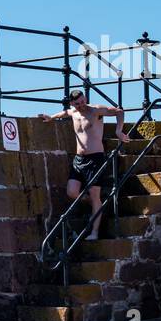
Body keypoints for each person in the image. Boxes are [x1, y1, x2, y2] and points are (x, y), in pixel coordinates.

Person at [39, 90, 129, 240]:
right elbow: (65, 113)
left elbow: (119, 111)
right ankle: (97, 204)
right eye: (77, 104)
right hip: (79, 160)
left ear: (85, 99)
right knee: (72, 192)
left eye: (82, 102)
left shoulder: (96, 110)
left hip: (95, 159)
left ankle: (94, 232)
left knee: (95, 195)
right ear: (72, 103)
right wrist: (51, 117)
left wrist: (118, 131)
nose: (80, 106)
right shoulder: (73, 112)